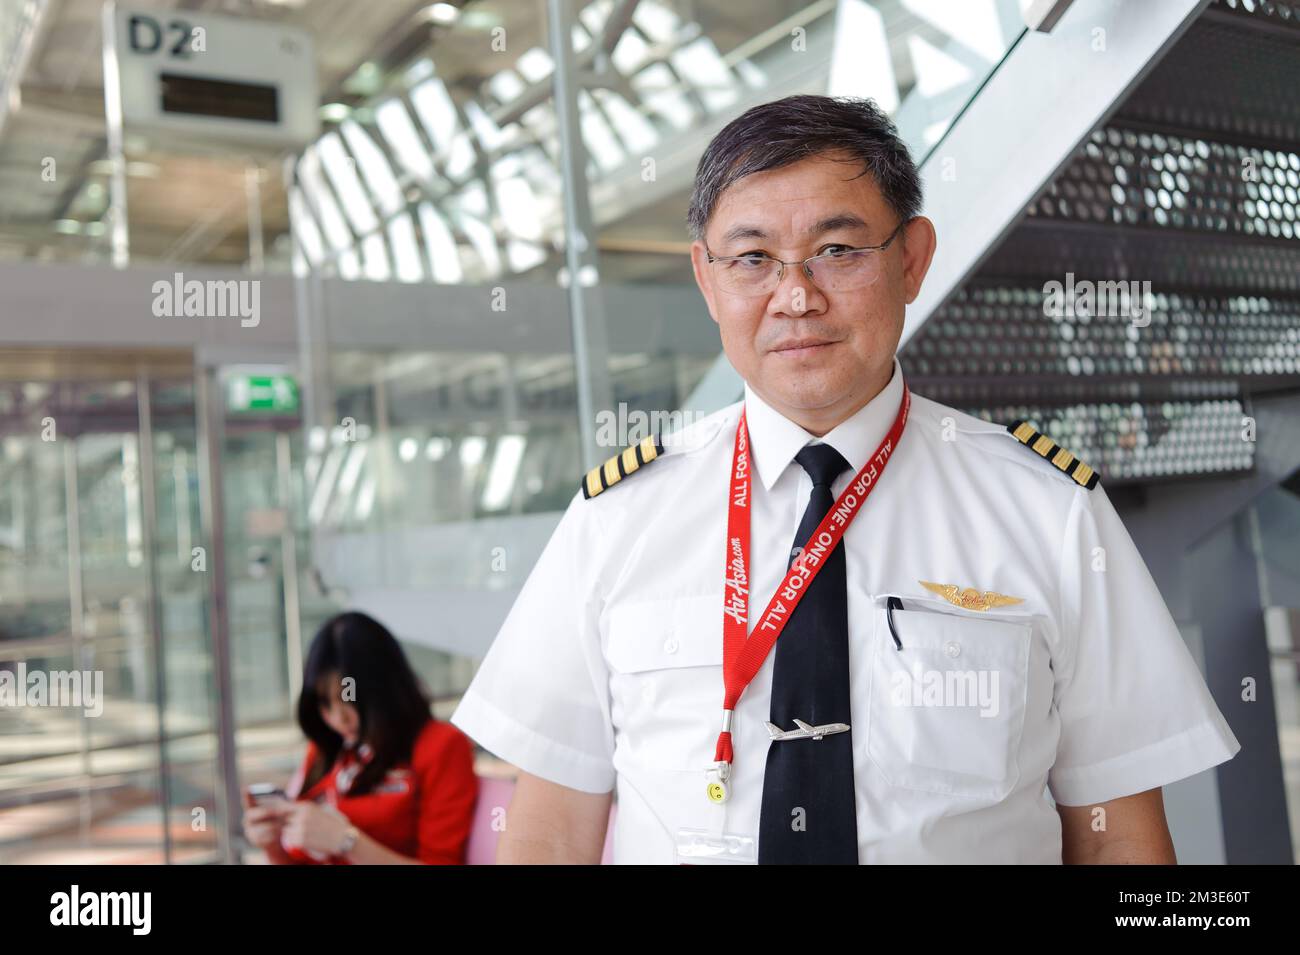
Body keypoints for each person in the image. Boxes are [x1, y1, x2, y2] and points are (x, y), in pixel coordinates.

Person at [450, 94, 1240, 864]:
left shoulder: (1047, 510)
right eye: (752, 258)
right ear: (706, 277)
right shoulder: (616, 518)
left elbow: (1114, 835)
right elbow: (552, 831)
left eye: (837, 250)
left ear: (912, 258)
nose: (796, 297)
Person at [244, 611, 477, 864]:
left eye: (348, 701)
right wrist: (273, 846)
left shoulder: (440, 745)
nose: (337, 719)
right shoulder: (325, 748)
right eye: (325, 704)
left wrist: (346, 841)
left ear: (384, 689)